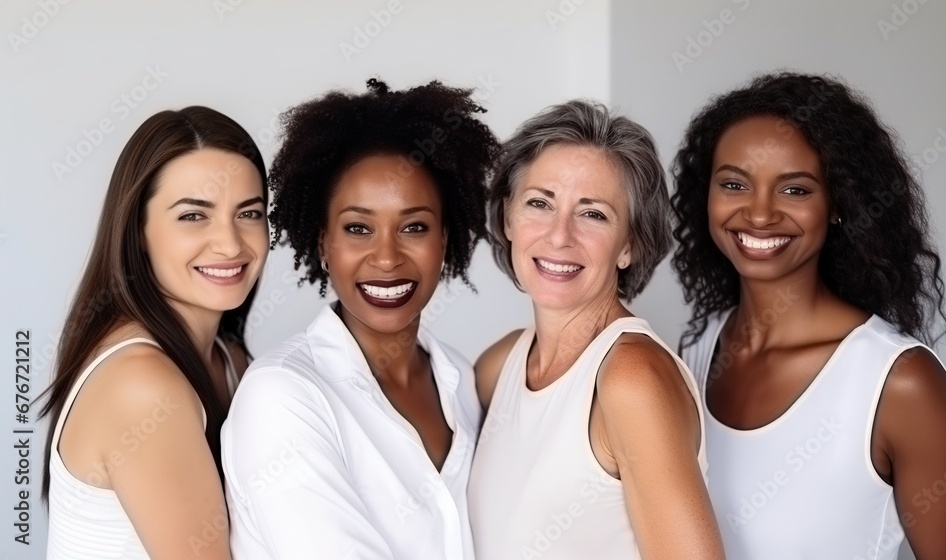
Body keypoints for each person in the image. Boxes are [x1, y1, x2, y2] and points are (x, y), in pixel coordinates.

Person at [670, 72, 946, 559]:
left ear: (838, 204)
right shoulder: (694, 353)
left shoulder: (900, 384)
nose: (758, 215)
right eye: (734, 184)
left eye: (795, 190)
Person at [221, 78, 500, 559]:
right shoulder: (283, 396)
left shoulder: (461, 381)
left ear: (444, 241)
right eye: (358, 228)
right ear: (324, 244)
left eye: (414, 227)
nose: (387, 258)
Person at [469, 100, 725, 559]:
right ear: (508, 218)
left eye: (593, 214)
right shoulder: (500, 364)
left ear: (629, 244)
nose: (559, 235)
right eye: (539, 203)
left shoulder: (631, 377)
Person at [39, 106, 269, 559]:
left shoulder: (229, 357)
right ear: (138, 231)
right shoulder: (141, 384)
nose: (230, 243)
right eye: (192, 216)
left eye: (249, 213)